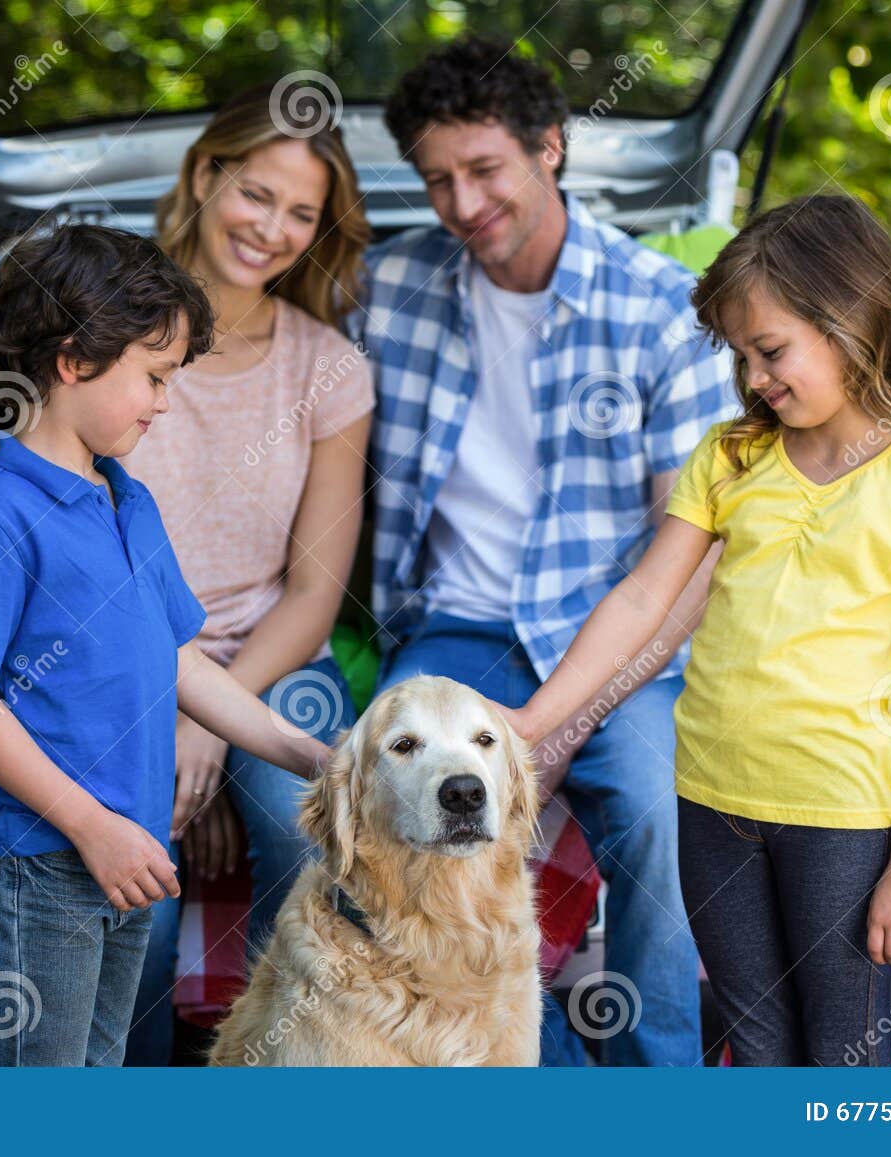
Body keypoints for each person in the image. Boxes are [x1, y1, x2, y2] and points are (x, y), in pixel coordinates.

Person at [0, 87, 375, 1064]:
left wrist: (316, 759)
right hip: (44, 856)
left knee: (104, 1070)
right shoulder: (0, 513)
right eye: (157, 378)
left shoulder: (125, 498)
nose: (169, 405)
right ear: (75, 360)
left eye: (175, 379)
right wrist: (92, 823)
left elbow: (187, 660)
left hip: (130, 844)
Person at [509, 194, 891, 1066]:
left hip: (845, 819)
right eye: (742, 355)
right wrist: (531, 724)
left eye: (771, 350)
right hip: (715, 802)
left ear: (850, 320)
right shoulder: (730, 457)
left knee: (846, 1052)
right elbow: (641, 599)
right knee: (755, 1045)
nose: (755, 376)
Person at [351, 38, 733, 1067]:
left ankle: (664, 1089)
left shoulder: (662, 309)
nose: (464, 203)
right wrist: (28, 425)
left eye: (485, 170)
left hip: (613, 642)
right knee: (378, 825)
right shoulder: (385, 289)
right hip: (454, 638)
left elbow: (689, 561)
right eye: (439, 179)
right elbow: (222, 352)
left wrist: (561, 721)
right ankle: (506, 1075)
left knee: (658, 820)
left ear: (549, 149)